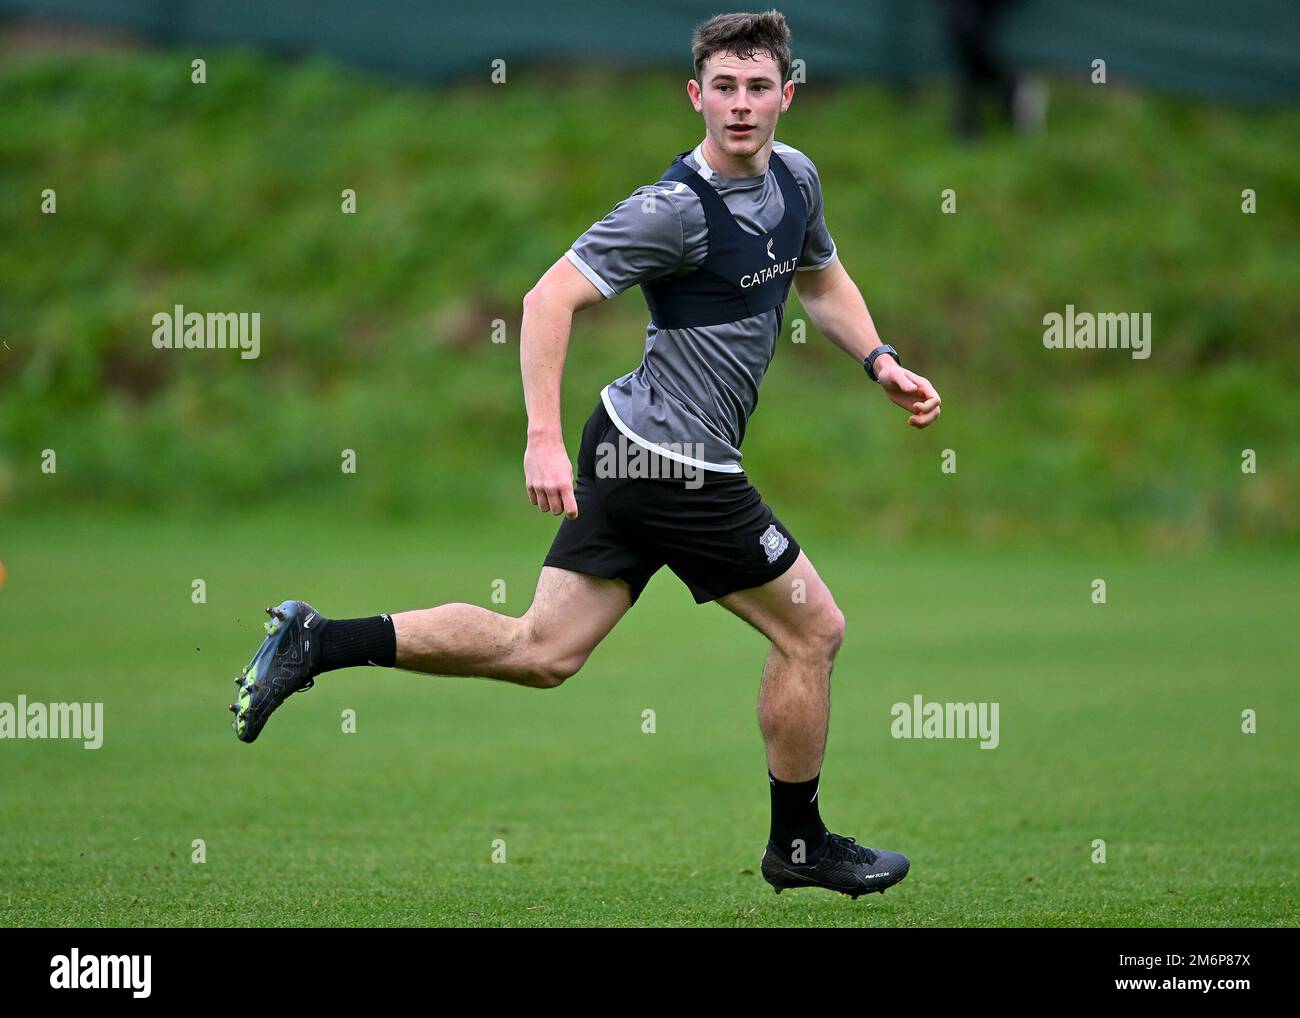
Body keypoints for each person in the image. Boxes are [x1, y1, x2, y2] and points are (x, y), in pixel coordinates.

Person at [229, 9, 941, 900]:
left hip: (632, 442)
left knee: (542, 651)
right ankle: (797, 845)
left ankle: (318, 641)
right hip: (674, 460)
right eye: (723, 87)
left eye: (759, 86)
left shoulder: (796, 180)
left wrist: (879, 360)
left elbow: (822, 279)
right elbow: (547, 299)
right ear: (696, 95)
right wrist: (540, 439)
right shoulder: (672, 210)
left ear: (788, 94)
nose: (741, 105)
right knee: (814, 631)